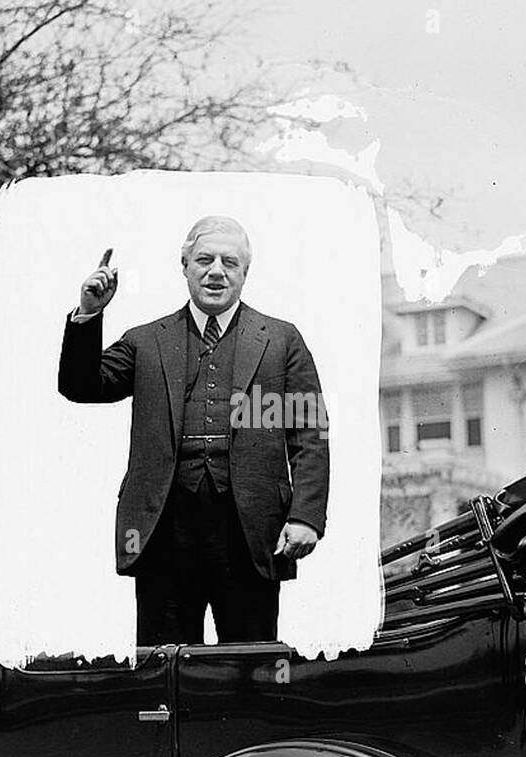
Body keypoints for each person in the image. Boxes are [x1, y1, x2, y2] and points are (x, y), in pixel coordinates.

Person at [58, 215, 329, 645]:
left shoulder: (279, 341)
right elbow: (81, 385)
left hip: (249, 532)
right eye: (204, 259)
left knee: (249, 668)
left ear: (245, 273)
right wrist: (90, 314)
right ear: (184, 265)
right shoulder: (147, 342)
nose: (216, 271)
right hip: (164, 529)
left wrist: (306, 517)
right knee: (165, 673)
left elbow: (309, 433)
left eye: (229, 262)